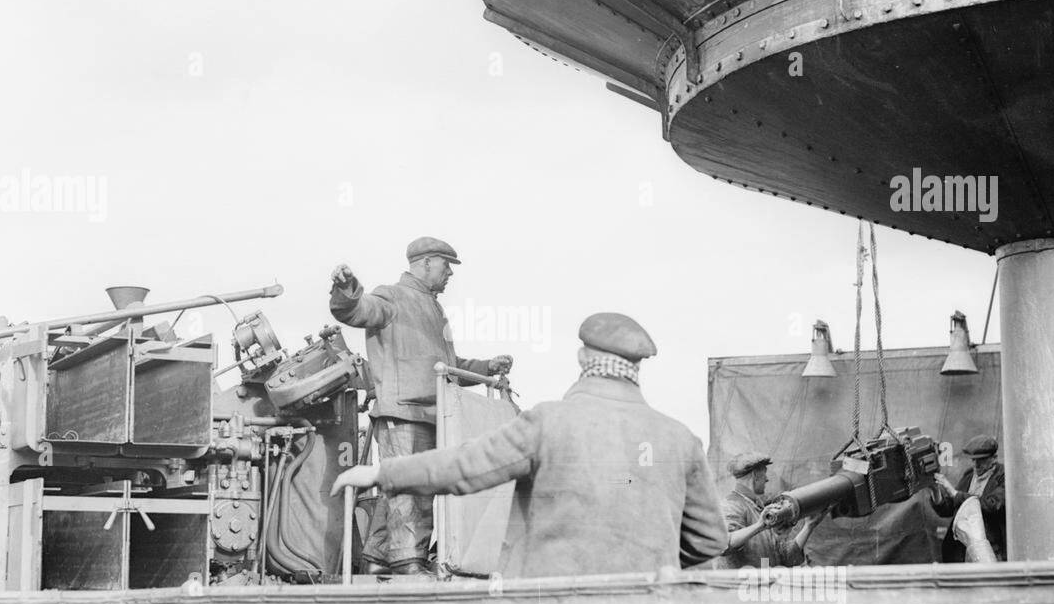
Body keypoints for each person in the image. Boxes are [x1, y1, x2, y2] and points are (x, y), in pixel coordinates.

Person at [331, 312, 728, 578]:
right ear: (636, 368)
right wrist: (647, 562)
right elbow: (711, 540)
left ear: (582, 358)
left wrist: (384, 471)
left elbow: (467, 466)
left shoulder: (548, 423)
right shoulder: (680, 439)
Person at [329, 236, 512, 575]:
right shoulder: (392, 297)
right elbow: (355, 310)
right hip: (403, 412)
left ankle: (377, 559)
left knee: (398, 485)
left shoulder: (432, 307)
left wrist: (487, 368)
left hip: (428, 414)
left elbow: (450, 364)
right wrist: (347, 288)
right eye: (446, 265)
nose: (450, 274)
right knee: (414, 489)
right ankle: (408, 563)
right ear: (427, 263)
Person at [714, 452, 821, 569]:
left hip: (762, 585)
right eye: (764, 473)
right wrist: (760, 525)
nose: (767, 479)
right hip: (738, 586)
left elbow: (786, 558)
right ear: (755, 475)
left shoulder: (757, 508)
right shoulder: (732, 505)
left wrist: (809, 526)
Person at [931, 434, 1006, 561]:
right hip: (963, 551)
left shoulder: (1004, 476)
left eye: (981, 460)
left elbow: (992, 505)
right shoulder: (969, 475)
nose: (976, 465)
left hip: (991, 550)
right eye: (974, 460)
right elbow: (949, 509)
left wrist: (955, 493)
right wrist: (935, 491)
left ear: (994, 458)